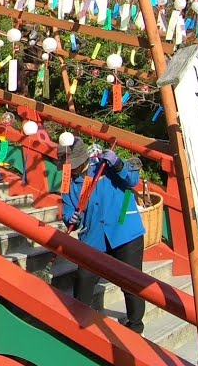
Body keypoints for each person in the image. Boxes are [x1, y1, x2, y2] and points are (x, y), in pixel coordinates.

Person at [60, 135, 146, 333]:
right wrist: (70, 218)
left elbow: (132, 180)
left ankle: (135, 325)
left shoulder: (105, 167)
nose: (71, 169)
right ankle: (81, 321)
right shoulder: (68, 181)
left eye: (73, 165)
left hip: (124, 230)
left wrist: (118, 164)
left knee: (131, 282)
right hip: (94, 236)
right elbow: (67, 209)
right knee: (84, 277)